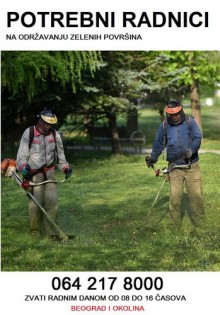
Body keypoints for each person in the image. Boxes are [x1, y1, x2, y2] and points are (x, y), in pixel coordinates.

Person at [146, 100, 205, 228]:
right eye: (171, 115)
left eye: (177, 114)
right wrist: (152, 158)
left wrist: (192, 150)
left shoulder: (190, 122)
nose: (174, 117)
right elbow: (158, 145)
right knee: (175, 197)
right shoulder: (164, 126)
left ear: (181, 111)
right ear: (168, 114)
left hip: (191, 166)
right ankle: (174, 224)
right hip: (174, 168)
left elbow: (197, 137)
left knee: (195, 197)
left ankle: (200, 223)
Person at [16, 109, 72, 237]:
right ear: (40, 121)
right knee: (35, 205)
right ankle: (35, 232)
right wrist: (23, 167)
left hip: (50, 173)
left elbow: (61, 156)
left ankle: (49, 233)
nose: (49, 126)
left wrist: (65, 168)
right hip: (33, 174)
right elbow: (21, 155)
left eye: (51, 124)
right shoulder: (29, 133)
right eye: (47, 123)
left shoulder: (54, 134)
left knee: (52, 203)